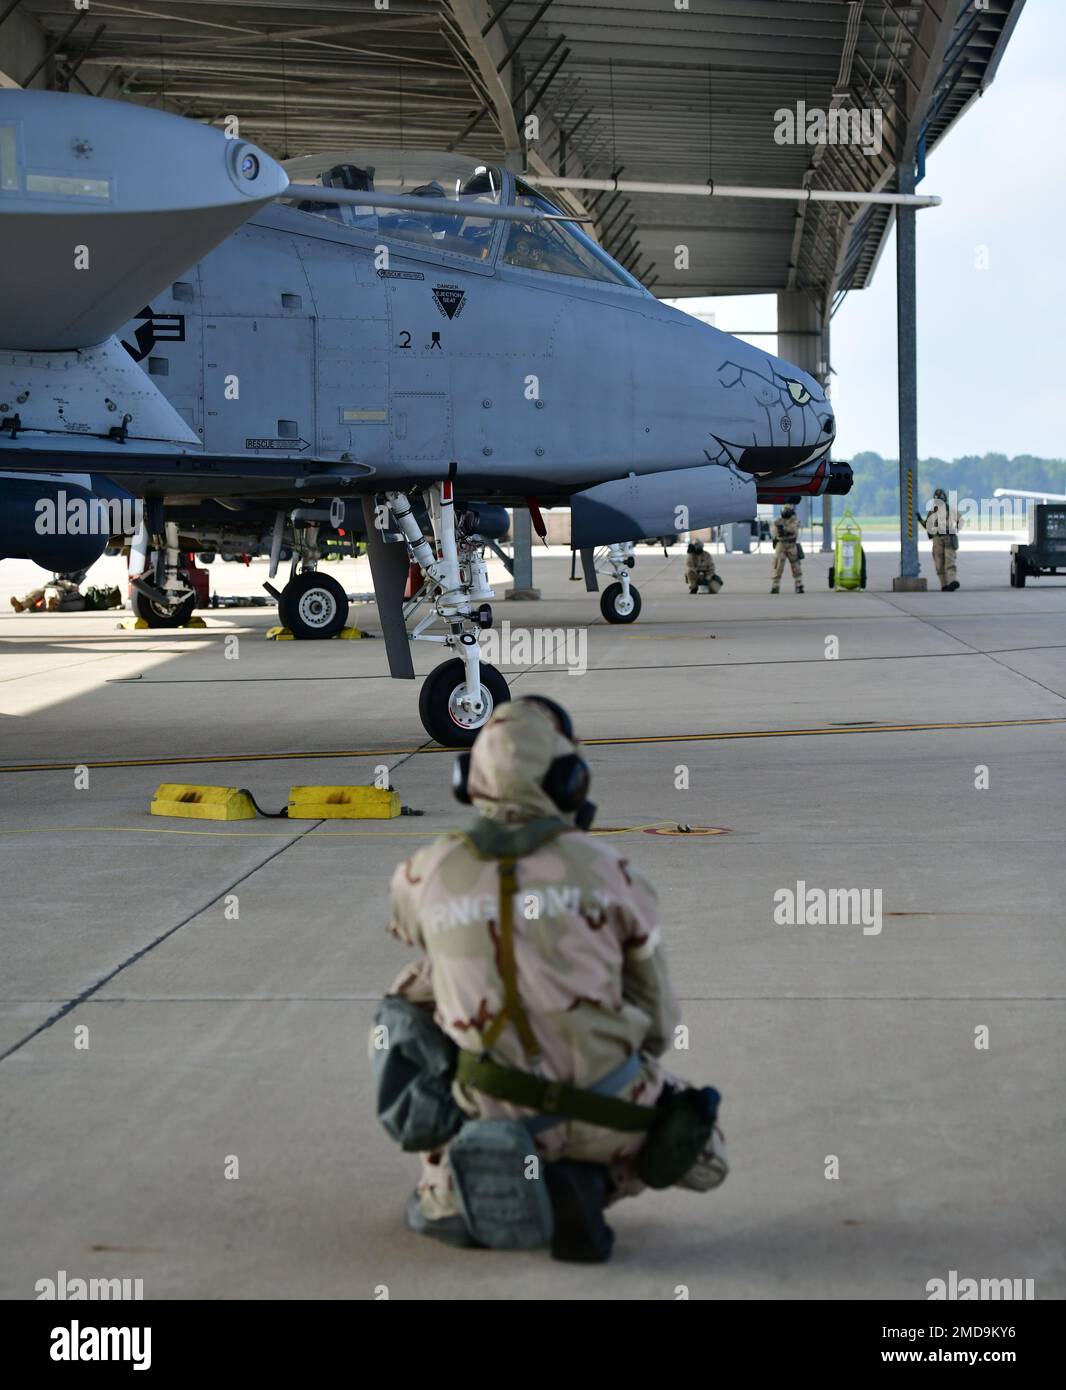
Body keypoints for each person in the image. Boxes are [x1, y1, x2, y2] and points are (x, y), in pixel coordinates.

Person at [377, 697, 727, 1262]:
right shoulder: (612, 871)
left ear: (470, 780)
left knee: (411, 989)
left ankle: (455, 1187)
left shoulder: (424, 873)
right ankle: (597, 1182)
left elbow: (419, 943)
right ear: (570, 780)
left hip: (490, 1108)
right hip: (612, 1111)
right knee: (708, 1152)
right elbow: (659, 1024)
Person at [917, 487, 961, 590]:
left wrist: (954, 529)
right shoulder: (932, 512)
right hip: (937, 539)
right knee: (939, 563)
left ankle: (952, 582)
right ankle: (944, 585)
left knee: (950, 562)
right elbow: (927, 526)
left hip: (948, 538)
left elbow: (960, 520)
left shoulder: (951, 510)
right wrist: (919, 519)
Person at [770, 504, 804, 593]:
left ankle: (798, 584)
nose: (785, 511)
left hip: (791, 544)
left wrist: (784, 529)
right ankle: (775, 585)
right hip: (781, 544)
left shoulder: (794, 521)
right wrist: (780, 530)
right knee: (778, 565)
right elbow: (774, 532)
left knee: (796, 565)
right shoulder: (778, 521)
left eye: (787, 510)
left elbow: (793, 530)